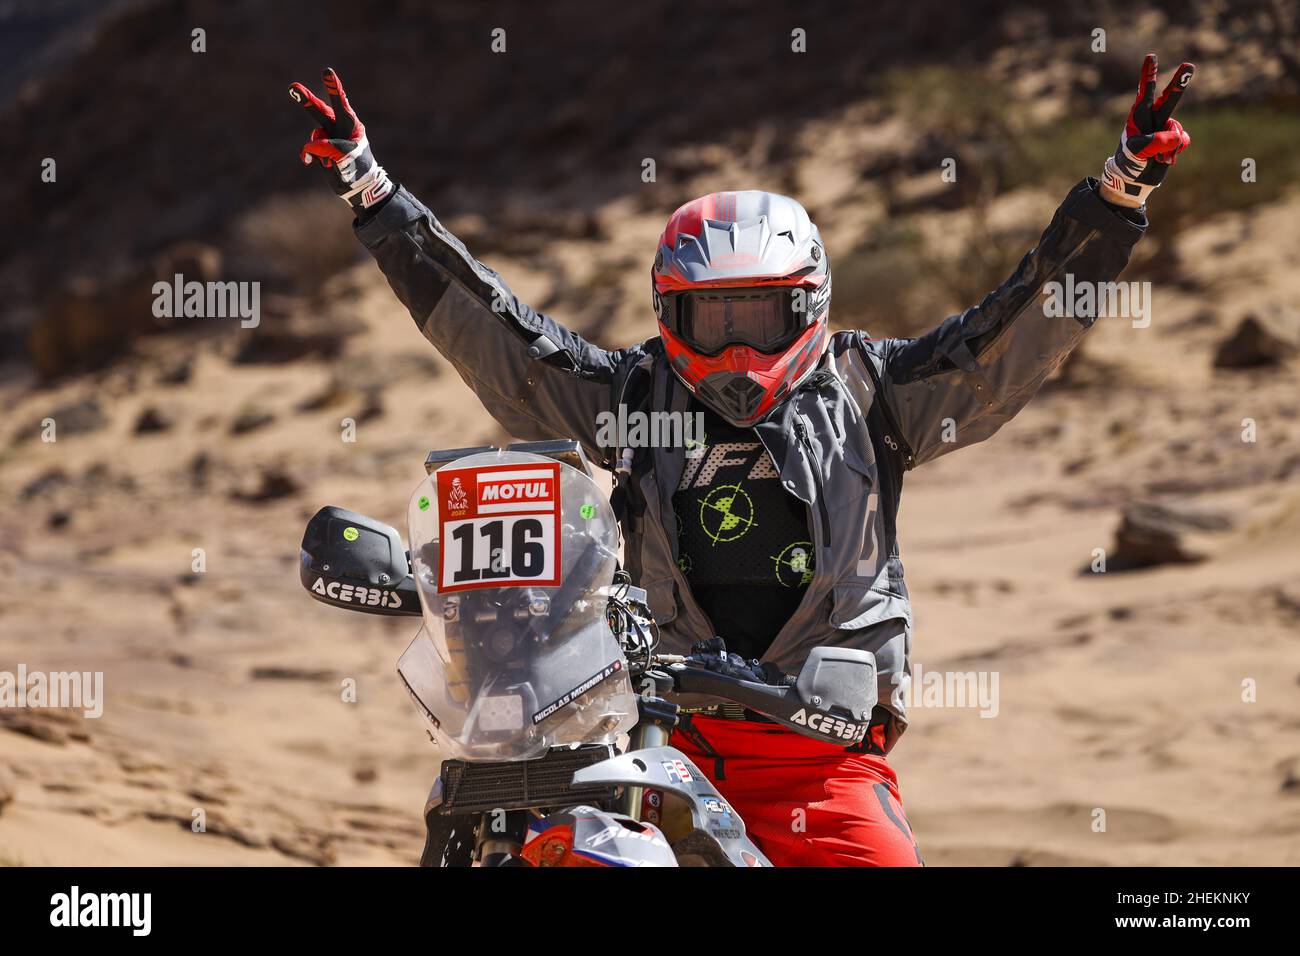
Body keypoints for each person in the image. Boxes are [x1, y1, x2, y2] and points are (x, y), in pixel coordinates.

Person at [289, 54, 1193, 866]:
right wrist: (374, 194)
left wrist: (1115, 197)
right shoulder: (632, 401)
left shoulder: (876, 395)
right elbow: (503, 340)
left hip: (822, 757)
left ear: (810, 307)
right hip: (655, 741)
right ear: (665, 314)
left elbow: (1012, 336)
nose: (733, 352)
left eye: (758, 318)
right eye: (709, 321)